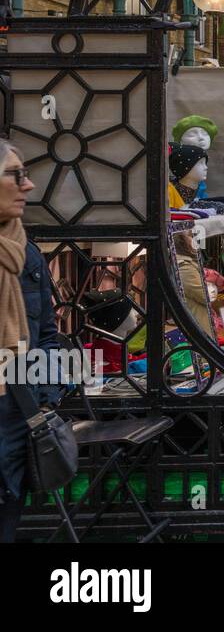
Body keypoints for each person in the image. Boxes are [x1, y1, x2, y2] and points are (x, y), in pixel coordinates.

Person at [0, 139, 62, 543]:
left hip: (14, 412)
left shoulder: (25, 253)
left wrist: (46, 399)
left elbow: (46, 335)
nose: (29, 185)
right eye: (15, 175)